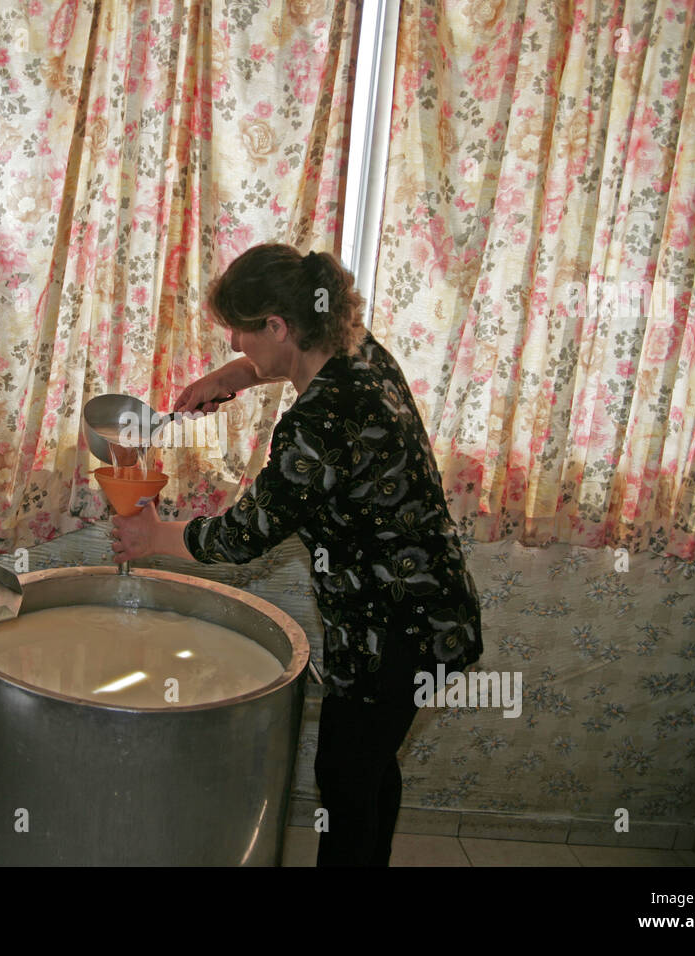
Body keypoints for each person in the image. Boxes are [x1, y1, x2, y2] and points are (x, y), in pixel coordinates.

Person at [111, 242, 482, 866]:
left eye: (241, 335)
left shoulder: (320, 420)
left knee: (345, 783)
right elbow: (286, 365)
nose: (235, 344)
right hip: (431, 614)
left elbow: (245, 534)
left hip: (394, 634)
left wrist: (153, 537)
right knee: (367, 773)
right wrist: (232, 378)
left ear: (278, 326)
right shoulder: (360, 352)